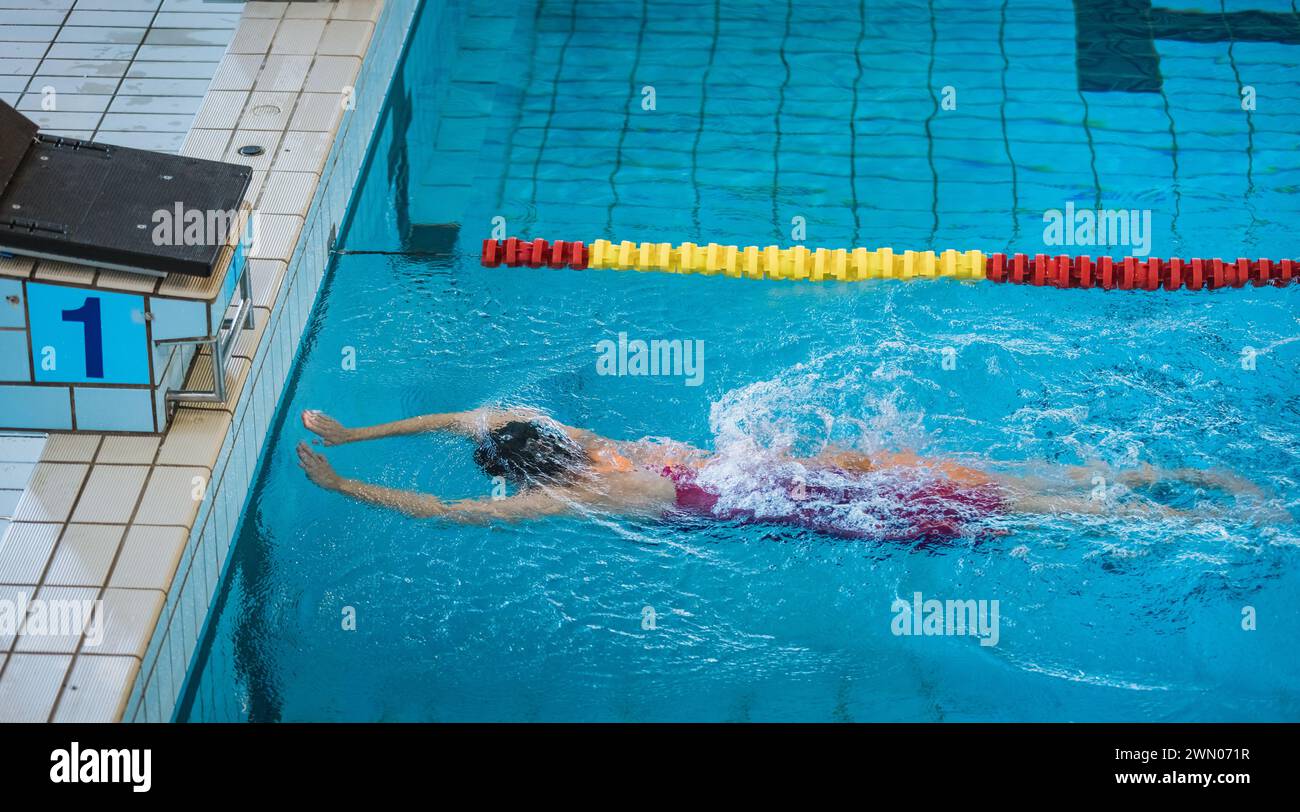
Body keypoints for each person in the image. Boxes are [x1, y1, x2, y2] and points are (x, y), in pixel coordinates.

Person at [296, 407, 1277, 541]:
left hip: (814, 509)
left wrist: (344, 485)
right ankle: (1198, 478)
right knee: (1042, 477)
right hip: (828, 466)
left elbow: (449, 509)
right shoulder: (598, 448)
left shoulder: (577, 491)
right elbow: (479, 419)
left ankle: (1209, 526)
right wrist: (354, 433)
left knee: (1055, 515)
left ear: (523, 474)